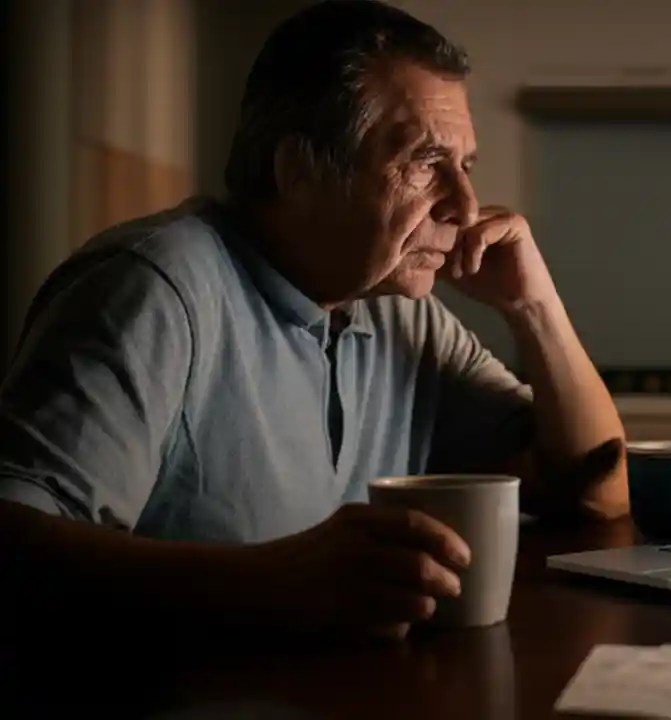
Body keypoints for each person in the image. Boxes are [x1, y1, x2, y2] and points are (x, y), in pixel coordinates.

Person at [0, 0, 627, 642]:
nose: (466, 209)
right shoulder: (154, 287)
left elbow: (598, 493)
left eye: (464, 167)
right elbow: (16, 547)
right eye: (423, 162)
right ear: (298, 170)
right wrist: (271, 582)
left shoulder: (403, 315)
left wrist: (535, 308)